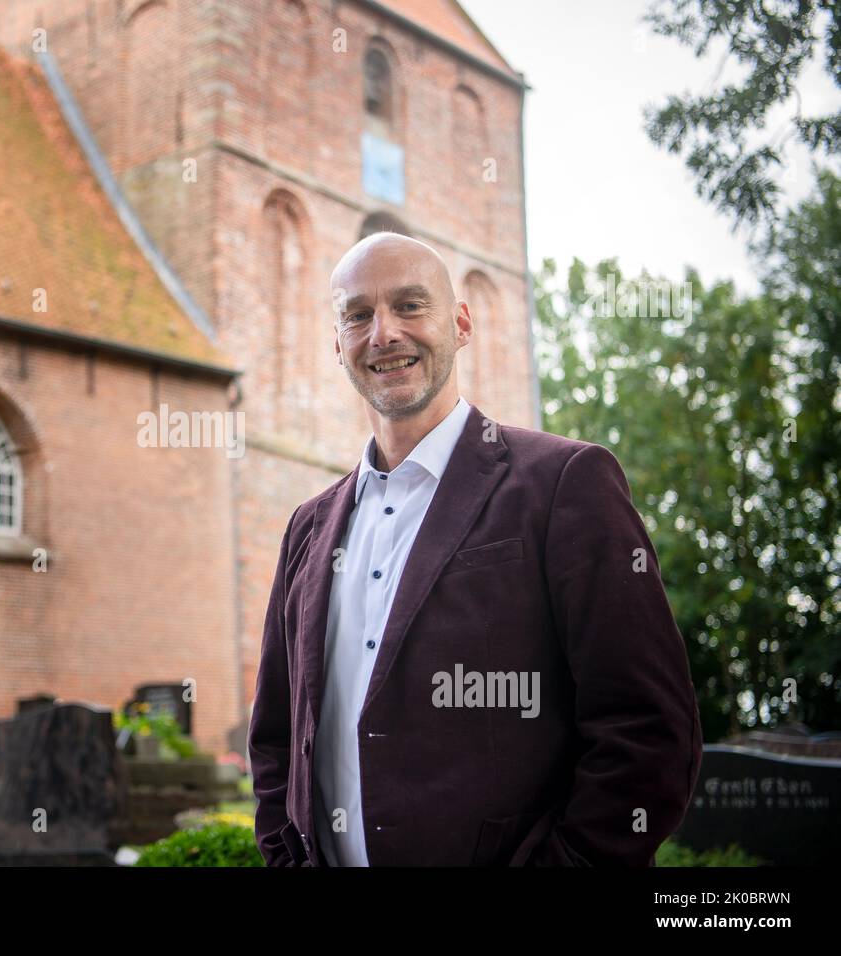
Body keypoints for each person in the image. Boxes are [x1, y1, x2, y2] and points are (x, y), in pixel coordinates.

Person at [248, 232, 702, 866]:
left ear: (460, 323)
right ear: (338, 344)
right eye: (358, 315)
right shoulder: (308, 528)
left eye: (410, 305)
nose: (384, 333)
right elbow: (275, 736)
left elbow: (648, 730)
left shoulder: (564, 484)